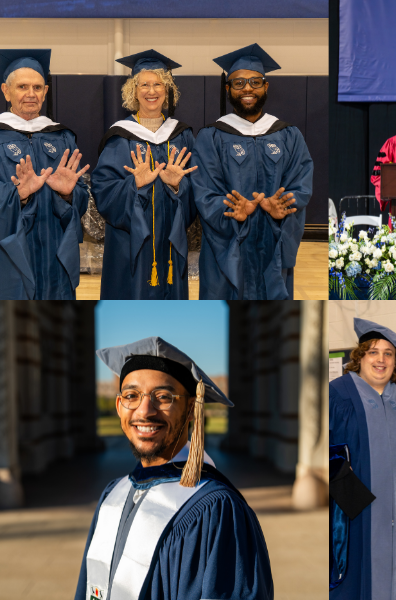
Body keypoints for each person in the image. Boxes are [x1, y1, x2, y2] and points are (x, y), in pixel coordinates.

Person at [76, 337, 272, 600]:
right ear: (119, 406)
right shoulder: (113, 493)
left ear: (191, 409)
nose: (145, 411)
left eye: (164, 397)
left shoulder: (216, 509)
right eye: (131, 396)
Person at [191, 43, 313, 300]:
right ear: (228, 89)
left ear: (266, 86)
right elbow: (204, 189)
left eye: (255, 82)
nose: (247, 88)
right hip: (227, 248)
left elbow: (300, 181)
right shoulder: (211, 137)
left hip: (273, 244)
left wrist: (283, 208)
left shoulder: (288, 135)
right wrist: (231, 210)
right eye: (239, 83)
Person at [0, 49, 90, 299]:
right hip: (8, 255)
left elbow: (82, 200)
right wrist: (17, 195)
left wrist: (68, 196)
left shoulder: (62, 137)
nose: (31, 94)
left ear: (46, 92)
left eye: (38, 87)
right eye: (22, 87)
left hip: (56, 256)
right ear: (5, 91)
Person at [94, 50, 198, 299]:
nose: (151, 91)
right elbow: (103, 192)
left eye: (157, 84)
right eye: (144, 85)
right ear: (133, 90)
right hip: (130, 244)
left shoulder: (182, 136)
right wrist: (134, 185)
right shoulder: (120, 137)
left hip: (170, 242)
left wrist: (178, 188)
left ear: (167, 89)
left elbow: (200, 189)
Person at [329, 318, 396, 600]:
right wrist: (355, 505)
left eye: (388, 353)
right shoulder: (338, 394)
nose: (381, 359)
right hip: (354, 517)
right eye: (373, 352)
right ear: (360, 356)